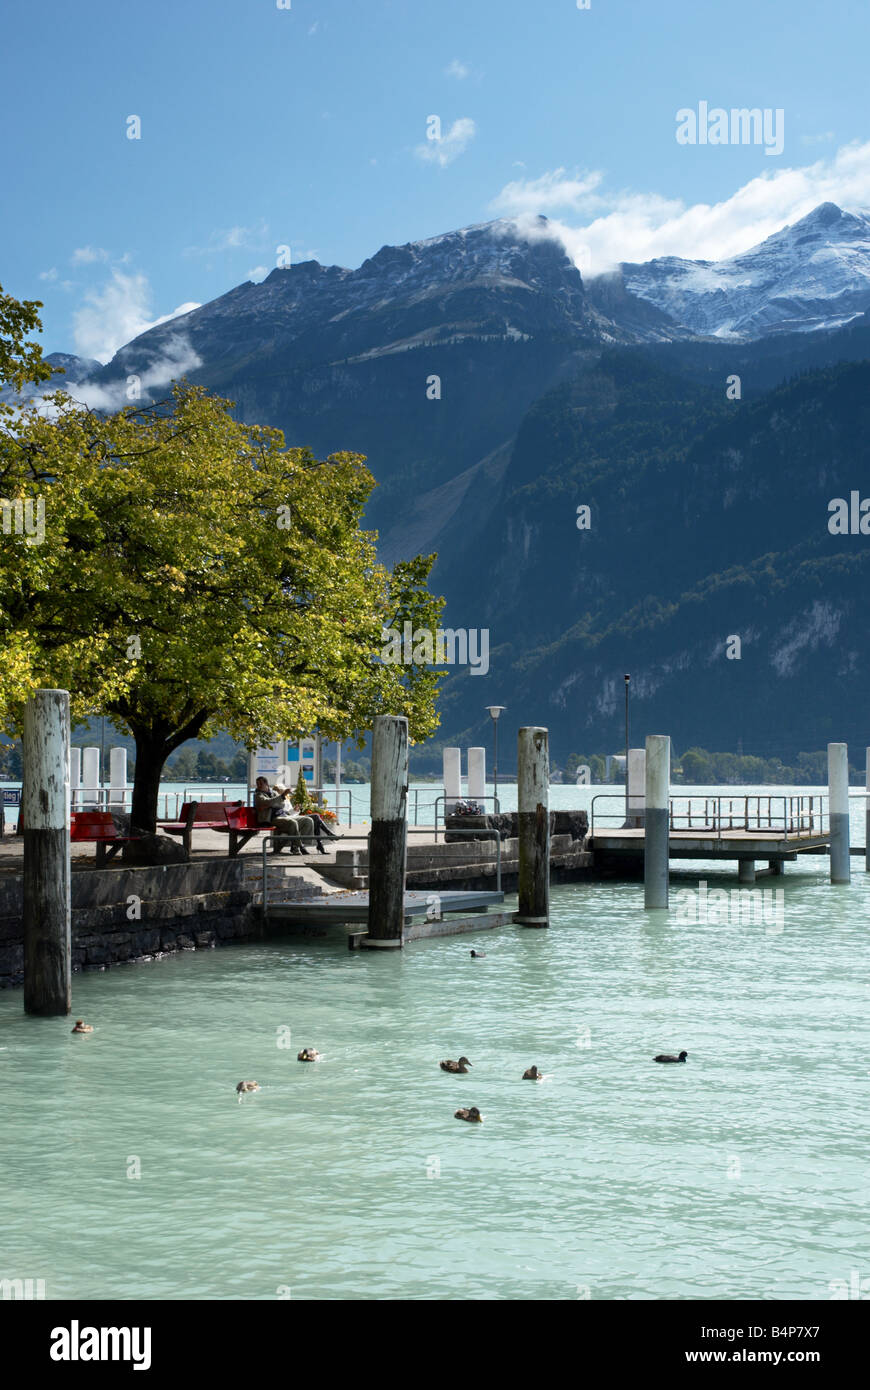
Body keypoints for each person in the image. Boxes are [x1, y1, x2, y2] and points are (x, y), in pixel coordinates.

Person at [253, 777, 314, 855]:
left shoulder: (274, 793)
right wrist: (280, 797)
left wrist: (271, 804)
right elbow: (266, 801)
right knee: (292, 823)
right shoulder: (258, 795)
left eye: (261, 783)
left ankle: (301, 844)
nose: (259, 786)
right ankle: (301, 847)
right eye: (257, 784)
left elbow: (282, 804)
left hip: (283, 815)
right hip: (271, 819)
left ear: (266, 784)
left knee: (307, 820)